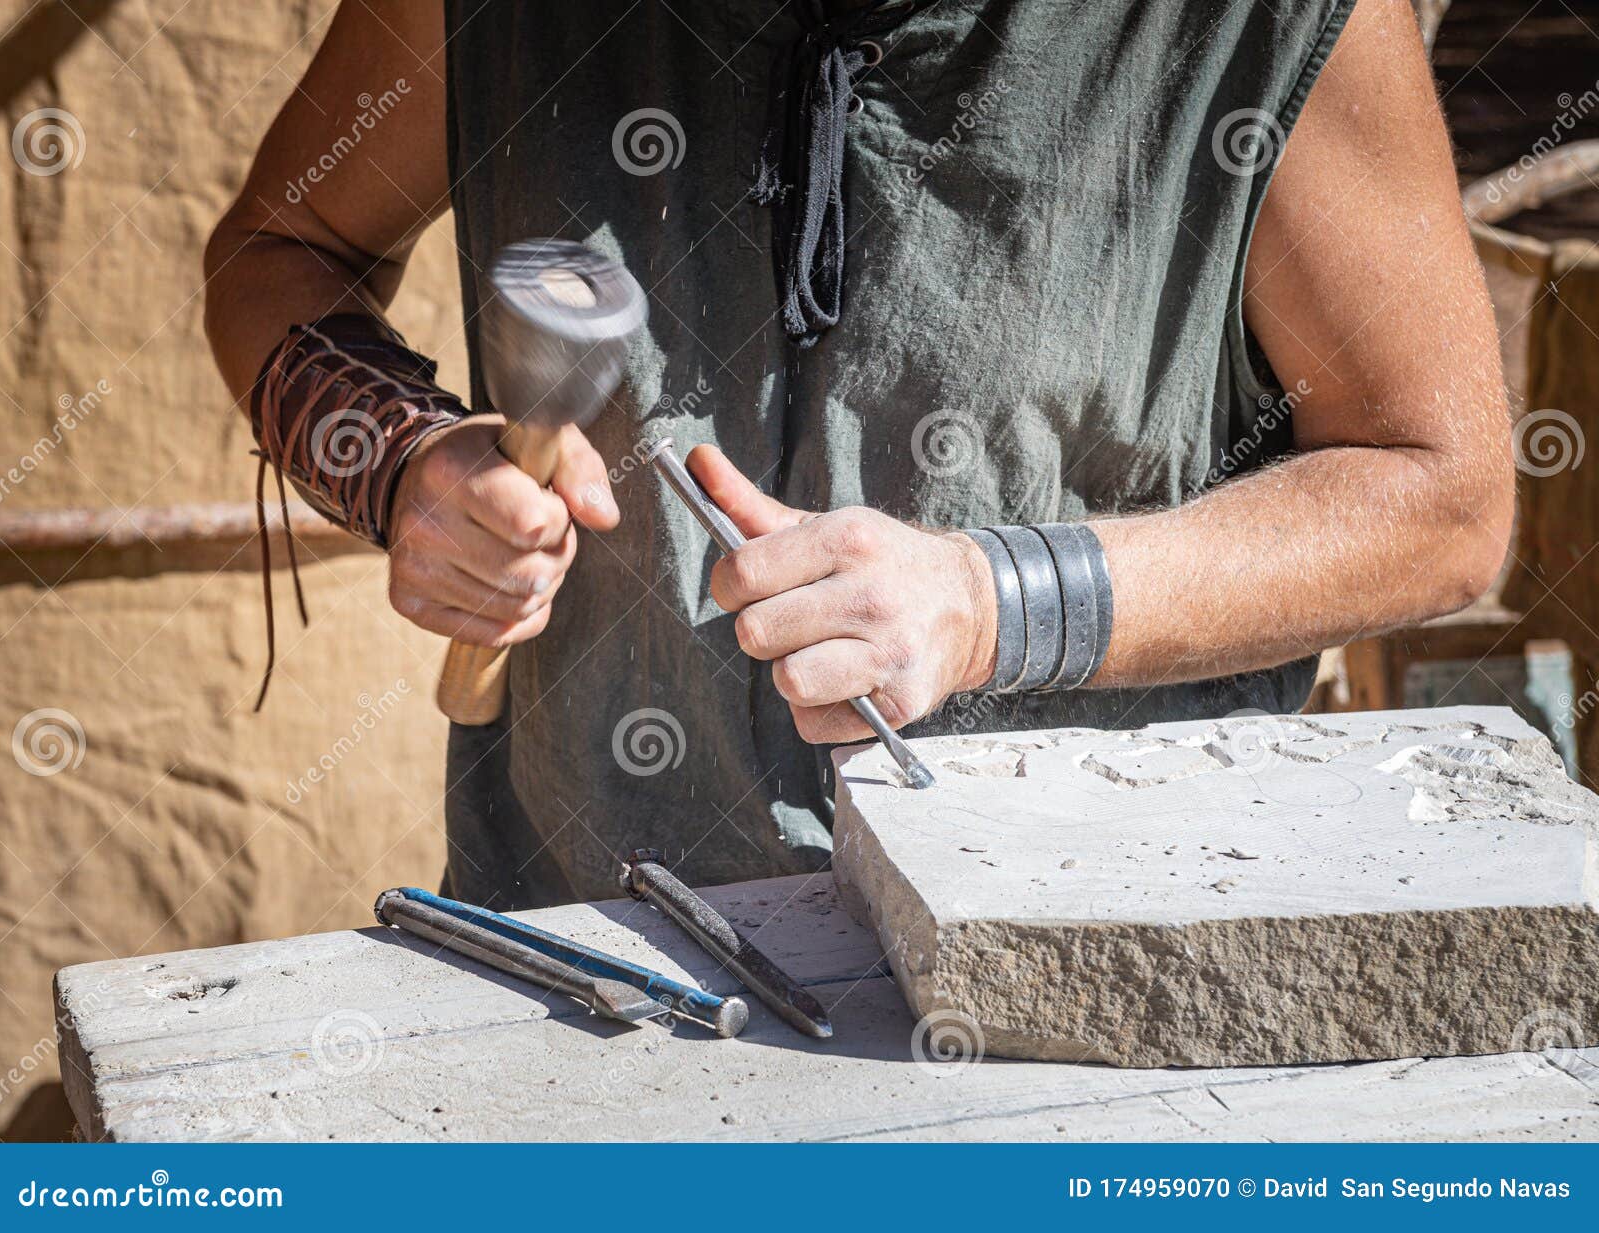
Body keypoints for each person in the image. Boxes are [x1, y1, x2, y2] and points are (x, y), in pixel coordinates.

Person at [205, 0, 1513, 909]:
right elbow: (278, 253)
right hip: (595, 960)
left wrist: (996, 604)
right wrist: (400, 455)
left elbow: (1442, 493)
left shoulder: (1254, 23)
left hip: (1084, 996)